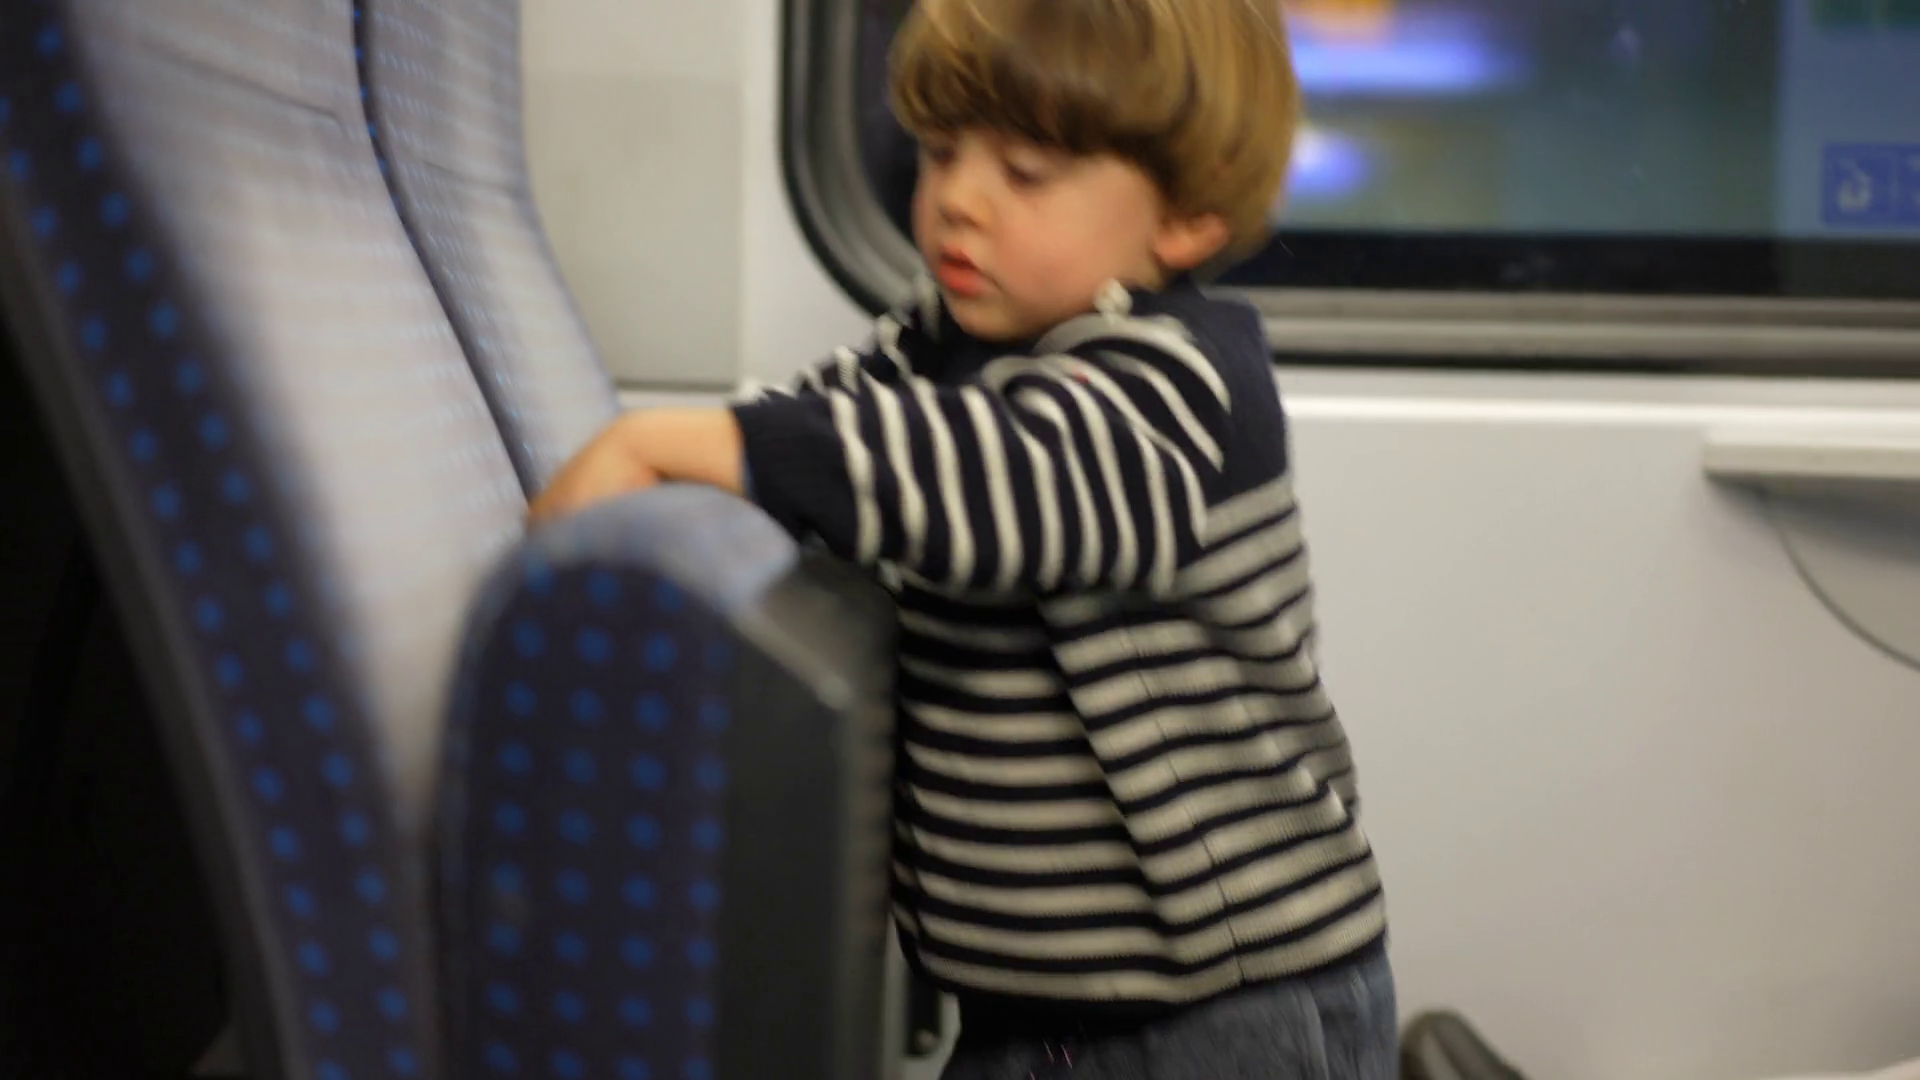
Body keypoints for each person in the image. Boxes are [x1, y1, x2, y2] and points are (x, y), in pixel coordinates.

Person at [528, 0, 1397, 1075]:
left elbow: (1004, 481)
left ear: (1182, 218)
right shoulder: (942, 347)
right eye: (940, 154)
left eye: (1025, 172)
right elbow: (826, 428)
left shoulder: (1183, 383)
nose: (957, 202)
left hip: (1208, 1014)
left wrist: (692, 439)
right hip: (1033, 1004)